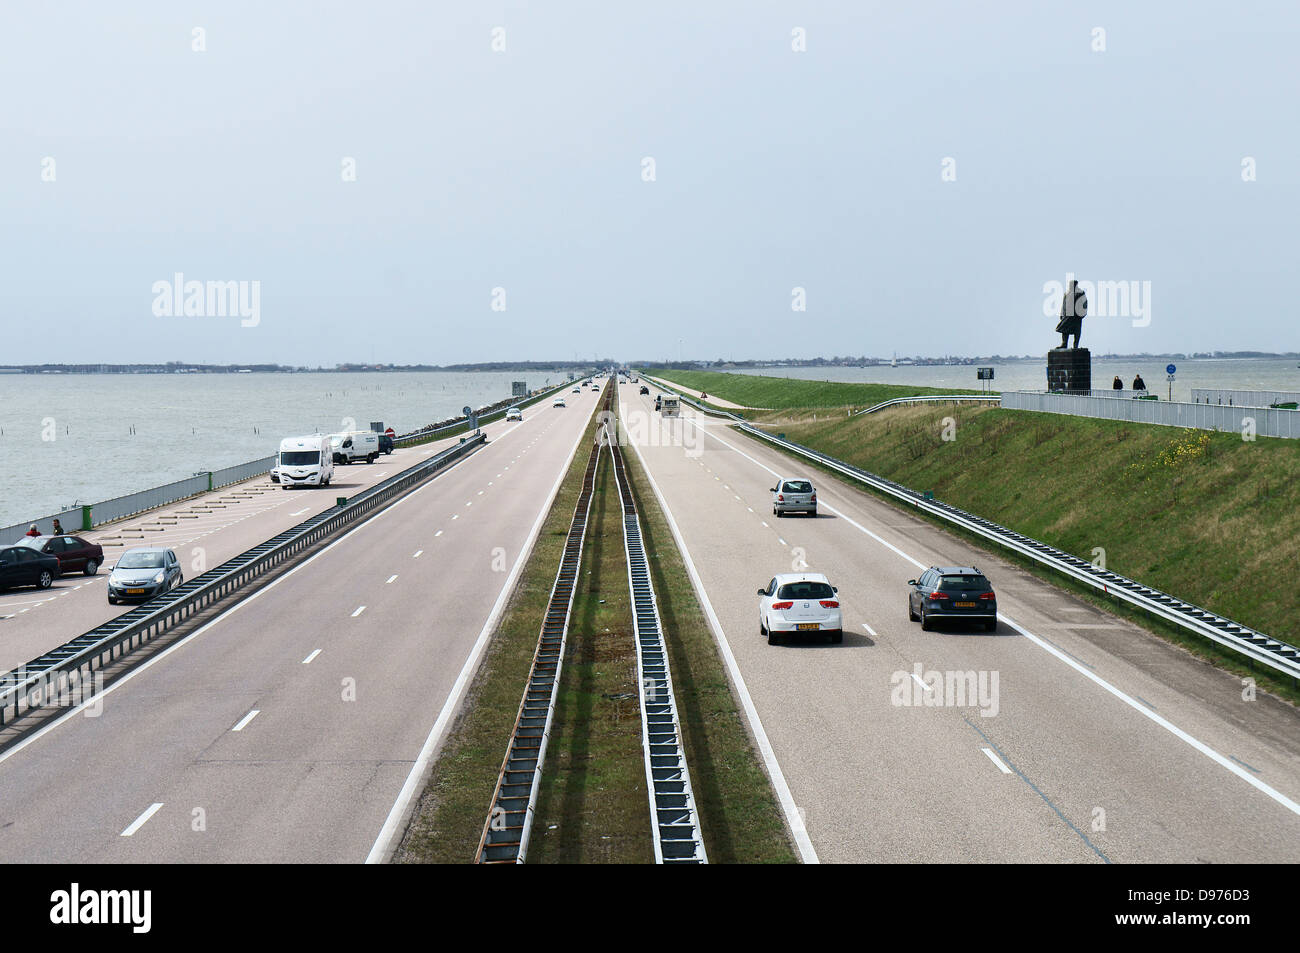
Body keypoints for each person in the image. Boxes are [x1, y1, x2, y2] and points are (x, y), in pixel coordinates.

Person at [1055, 278, 1087, 349]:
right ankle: (1064, 343)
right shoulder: (1067, 293)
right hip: (1067, 315)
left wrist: (1082, 314)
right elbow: (1063, 304)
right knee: (1064, 329)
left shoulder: (1081, 293)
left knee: (1077, 331)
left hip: (1076, 315)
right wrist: (1061, 313)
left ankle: (1075, 345)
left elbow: (1084, 304)